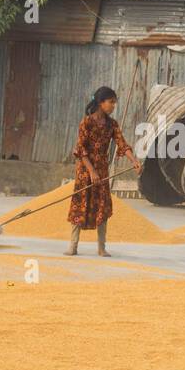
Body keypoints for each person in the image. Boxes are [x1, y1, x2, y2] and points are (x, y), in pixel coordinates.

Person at [66, 86, 141, 257]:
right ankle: (73, 245)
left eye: (115, 103)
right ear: (101, 103)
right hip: (85, 171)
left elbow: (122, 144)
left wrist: (134, 160)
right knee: (80, 205)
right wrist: (91, 171)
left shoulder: (112, 124)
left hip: (102, 171)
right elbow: (80, 150)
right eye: (111, 102)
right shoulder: (86, 122)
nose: (114, 106)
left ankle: (101, 247)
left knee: (102, 207)